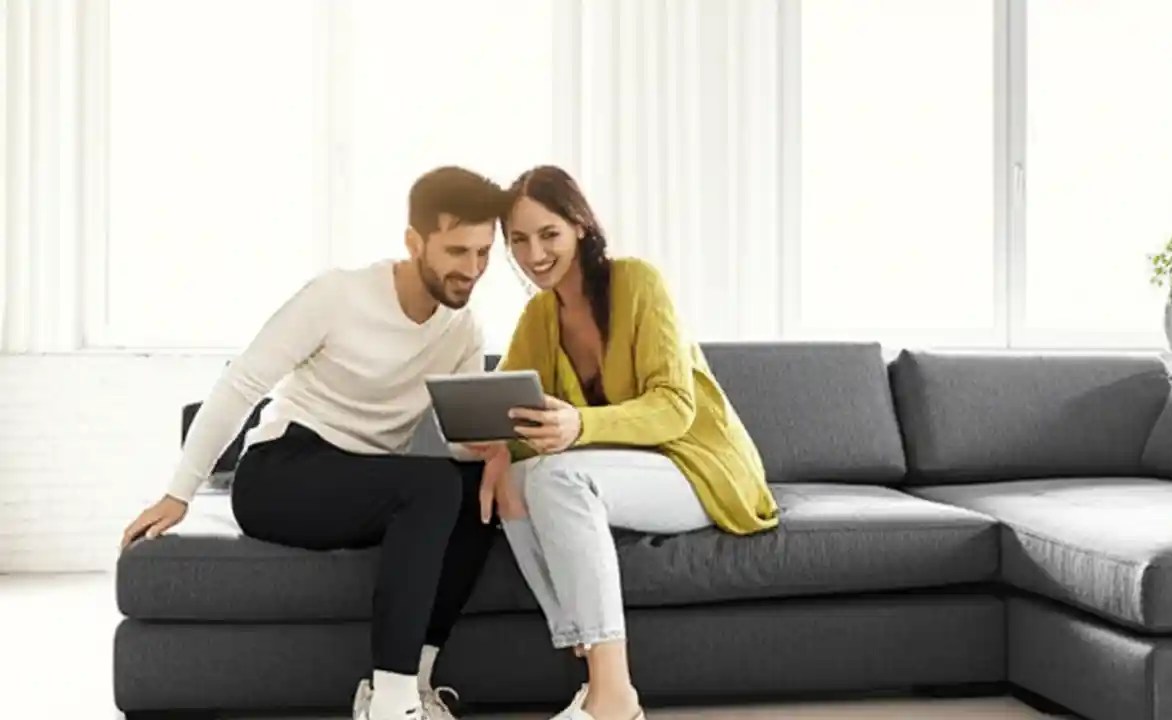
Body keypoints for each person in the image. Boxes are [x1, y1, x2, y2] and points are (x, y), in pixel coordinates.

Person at [119, 166, 512, 720]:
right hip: (282, 472)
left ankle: (413, 681)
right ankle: (390, 703)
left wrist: (491, 453)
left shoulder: (463, 331)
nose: (471, 270)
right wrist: (178, 493)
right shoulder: (338, 295)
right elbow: (243, 383)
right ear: (414, 241)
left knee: (472, 490)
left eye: (482, 253)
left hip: (366, 485)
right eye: (456, 251)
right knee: (430, 484)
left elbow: (456, 445)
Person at [467, 166, 779, 720]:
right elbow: (510, 415)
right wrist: (496, 452)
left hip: (694, 467)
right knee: (518, 480)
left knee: (561, 474)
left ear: (581, 226)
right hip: (625, 477)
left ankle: (614, 696)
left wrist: (581, 427)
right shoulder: (540, 317)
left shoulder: (637, 282)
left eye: (548, 234)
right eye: (518, 240)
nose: (534, 253)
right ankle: (584, 652)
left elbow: (674, 407)